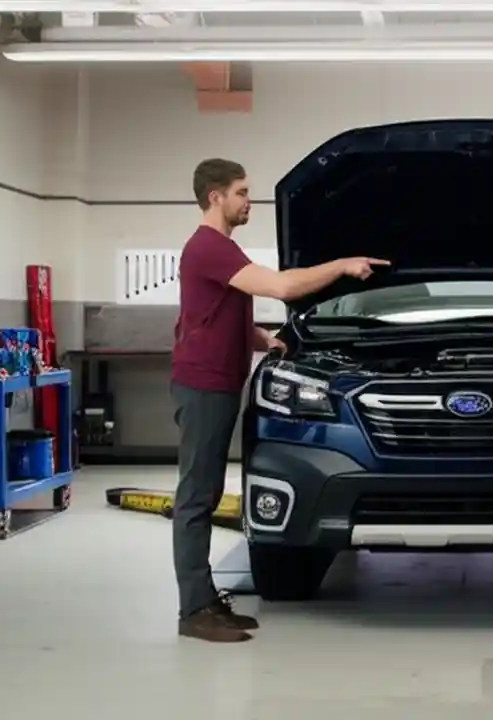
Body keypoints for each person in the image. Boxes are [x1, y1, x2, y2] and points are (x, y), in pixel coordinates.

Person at [170, 158, 388, 643]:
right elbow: (285, 286)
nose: (249, 202)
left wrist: (260, 340)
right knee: (196, 499)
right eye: (242, 193)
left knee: (202, 495)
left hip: (218, 382)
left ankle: (205, 601)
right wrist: (343, 264)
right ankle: (193, 611)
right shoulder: (209, 247)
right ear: (216, 198)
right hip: (204, 386)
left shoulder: (221, 248)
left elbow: (210, 314)